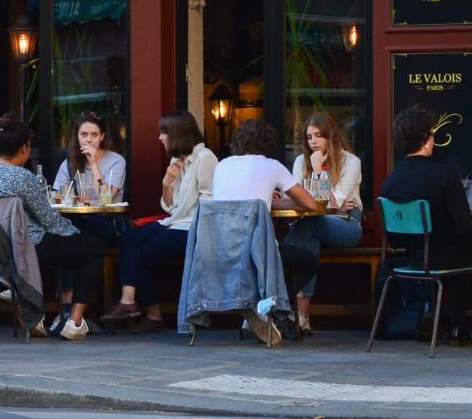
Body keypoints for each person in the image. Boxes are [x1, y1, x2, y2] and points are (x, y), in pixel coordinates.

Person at [0, 113, 107, 340]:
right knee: (92, 248)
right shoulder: (24, 177)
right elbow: (48, 219)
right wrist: (74, 231)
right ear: (24, 148)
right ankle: (75, 322)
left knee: (68, 246)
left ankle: (25, 301)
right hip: (26, 246)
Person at [209, 118, 322, 339]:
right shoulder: (272, 166)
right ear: (267, 142)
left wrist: (272, 202)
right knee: (308, 262)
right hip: (257, 251)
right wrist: (280, 202)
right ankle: (269, 306)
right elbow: (310, 203)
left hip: (222, 250)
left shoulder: (221, 166)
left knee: (277, 256)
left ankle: (254, 313)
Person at [375, 104, 472, 343]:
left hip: (412, 259)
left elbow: (393, 238)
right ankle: (455, 325)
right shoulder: (445, 174)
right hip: (446, 257)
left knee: (451, 256)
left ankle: (439, 318)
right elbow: (465, 227)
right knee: (466, 253)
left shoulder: (390, 182)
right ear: (427, 139)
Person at [105, 112, 216, 331]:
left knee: (142, 255)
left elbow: (210, 201)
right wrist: (167, 183)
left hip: (193, 226)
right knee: (129, 240)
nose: (160, 137)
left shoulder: (205, 158)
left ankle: (152, 313)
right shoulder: (177, 160)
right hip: (174, 221)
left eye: (163, 132)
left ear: (177, 133)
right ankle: (129, 301)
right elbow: (169, 205)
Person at [284, 111, 364, 336]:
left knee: (310, 224)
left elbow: (326, 206)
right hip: (311, 225)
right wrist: (324, 203)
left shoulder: (351, 161)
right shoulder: (301, 161)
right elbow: (303, 203)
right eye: (309, 137)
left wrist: (318, 172)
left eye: (319, 135)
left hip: (347, 224)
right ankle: (301, 318)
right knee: (308, 247)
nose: (314, 142)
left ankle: (277, 276)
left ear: (331, 136)